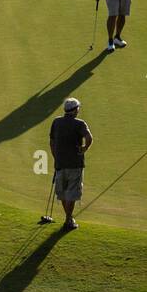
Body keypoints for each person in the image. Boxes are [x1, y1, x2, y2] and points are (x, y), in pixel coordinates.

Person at [49, 98, 93, 231]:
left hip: (60, 163)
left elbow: (51, 142)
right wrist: (84, 149)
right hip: (75, 164)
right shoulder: (80, 123)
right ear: (75, 110)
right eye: (78, 108)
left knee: (62, 192)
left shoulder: (56, 122)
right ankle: (68, 220)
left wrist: (56, 157)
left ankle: (69, 218)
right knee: (72, 192)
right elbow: (89, 138)